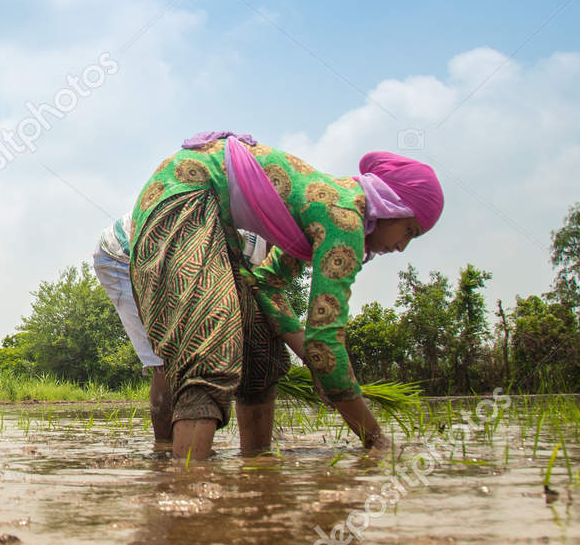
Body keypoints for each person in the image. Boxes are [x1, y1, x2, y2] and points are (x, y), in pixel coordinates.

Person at [129, 132, 442, 464]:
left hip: (214, 218)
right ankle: (189, 490)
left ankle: (257, 466)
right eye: (409, 230)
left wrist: (312, 358)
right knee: (211, 345)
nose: (402, 246)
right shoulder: (344, 216)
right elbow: (325, 343)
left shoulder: (321, 213)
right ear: (392, 206)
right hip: (181, 198)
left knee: (261, 346)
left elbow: (264, 282)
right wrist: (376, 440)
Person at [94, 213, 269, 446]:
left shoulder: (256, 247)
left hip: (172, 252)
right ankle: (165, 451)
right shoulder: (248, 243)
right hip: (125, 256)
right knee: (166, 360)